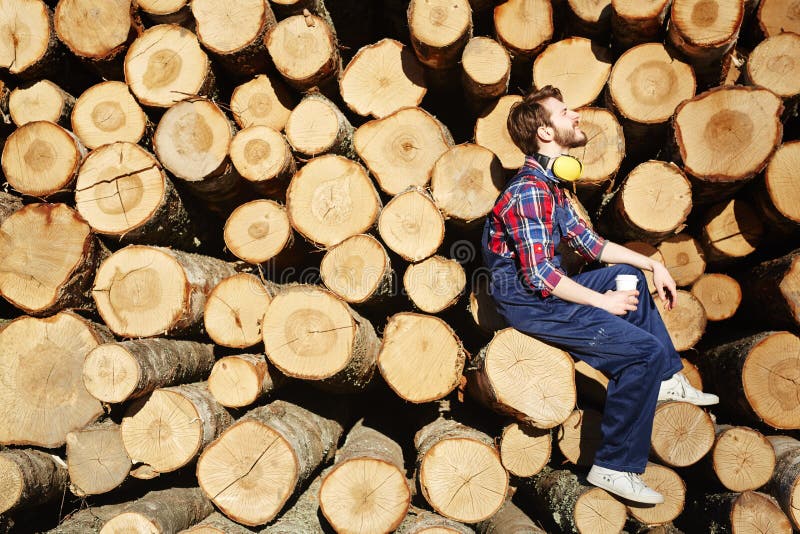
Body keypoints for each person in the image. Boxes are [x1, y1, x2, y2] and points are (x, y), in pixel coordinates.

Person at [481, 85, 718, 505]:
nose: (575, 115)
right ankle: (616, 466)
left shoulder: (551, 186)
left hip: (544, 291)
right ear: (545, 134)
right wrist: (604, 303)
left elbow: (590, 245)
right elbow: (539, 276)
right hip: (531, 304)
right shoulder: (530, 191)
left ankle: (666, 380)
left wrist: (653, 265)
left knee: (624, 273)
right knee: (639, 353)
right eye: (565, 112)